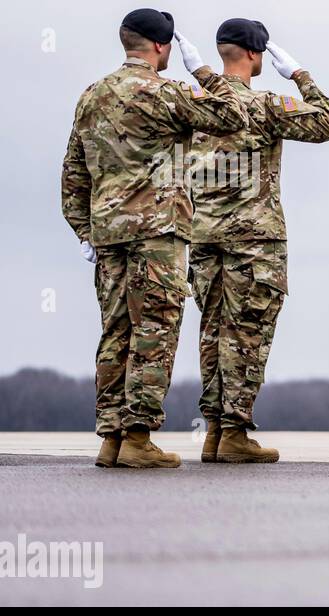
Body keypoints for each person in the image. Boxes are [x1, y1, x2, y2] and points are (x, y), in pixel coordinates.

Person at [61, 8, 248, 469]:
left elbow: (73, 171)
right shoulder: (165, 93)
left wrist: (84, 230)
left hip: (108, 235)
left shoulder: (92, 95)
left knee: (116, 330)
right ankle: (139, 436)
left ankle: (111, 437)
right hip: (157, 232)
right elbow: (232, 115)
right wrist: (203, 69)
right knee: (155, 330)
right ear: (162, 47)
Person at [188, 18, 329, 464]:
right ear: (256, 55)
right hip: (254, 239)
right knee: (247, 333)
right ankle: (233, 432)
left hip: (203, 235)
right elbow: (326, 122)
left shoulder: (193, 102)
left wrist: (202, 77)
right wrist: (300, 75)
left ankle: (215, 430)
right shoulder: (267, 104)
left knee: (213, 333)